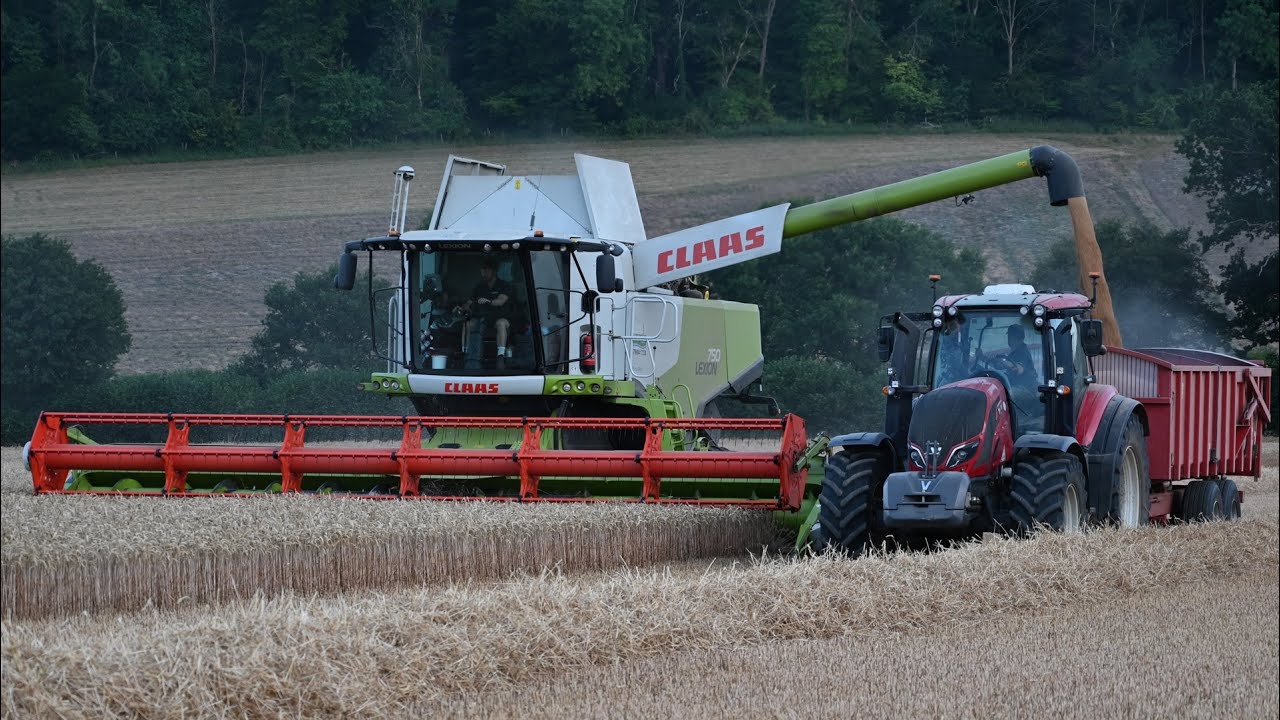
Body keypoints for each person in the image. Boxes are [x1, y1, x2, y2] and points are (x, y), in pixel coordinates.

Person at [465, 260, 512, 368]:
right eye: (482, 270)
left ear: (494, 271)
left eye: (486, 270)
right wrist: (463, 307)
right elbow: (469, 302)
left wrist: (488, 301)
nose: (483, 273)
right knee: (468, 324)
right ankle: (468, 354)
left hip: (501, 317)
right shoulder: (479, 287)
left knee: (501, 323)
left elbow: (501, 301)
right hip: (483, 318)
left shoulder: (504, 285)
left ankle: (500, 357)